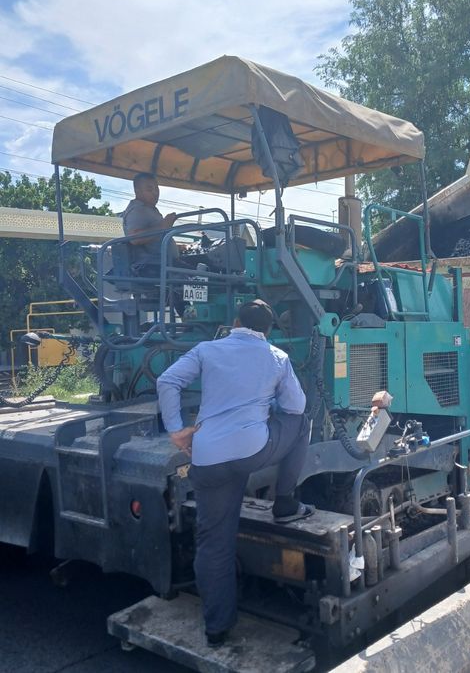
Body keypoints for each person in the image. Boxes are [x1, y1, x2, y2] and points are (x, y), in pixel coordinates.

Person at [156, 299, 313, 647]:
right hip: (252, 450)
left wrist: (176, 430)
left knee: (214, 543)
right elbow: (296, 406)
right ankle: (285, 502)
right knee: (302, 422)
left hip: (207, 457)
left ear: (235, 322)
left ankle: (217, 629)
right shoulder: (277, 357)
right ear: (268, 330)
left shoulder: (206, 349)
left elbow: (167, 381)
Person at [121, 172, 188, 315]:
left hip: (163, 263)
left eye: (157, 188)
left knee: (195, 274)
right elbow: (135, 237)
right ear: (137, 191)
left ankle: (191, 317)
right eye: (149, 189)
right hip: (152, 266)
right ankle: (192, 318)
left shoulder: (148, 209)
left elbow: (156, 237)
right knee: (198, 278)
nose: (155, 193)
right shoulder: (137, 210)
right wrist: (164, 225)